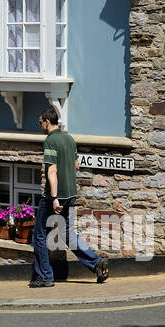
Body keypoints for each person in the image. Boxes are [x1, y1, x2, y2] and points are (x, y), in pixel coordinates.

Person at [32, 107, 109, 287]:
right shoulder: (69, 139)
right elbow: (76, 166)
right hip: (71, 195)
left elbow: (52, 171)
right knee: (68, 234)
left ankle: (45, 277)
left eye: (40, 122)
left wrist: (54, 198)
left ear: (47, 122)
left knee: (39, 235)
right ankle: (96, 262)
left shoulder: (50, 141)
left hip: (54, 197)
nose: (40, 125)